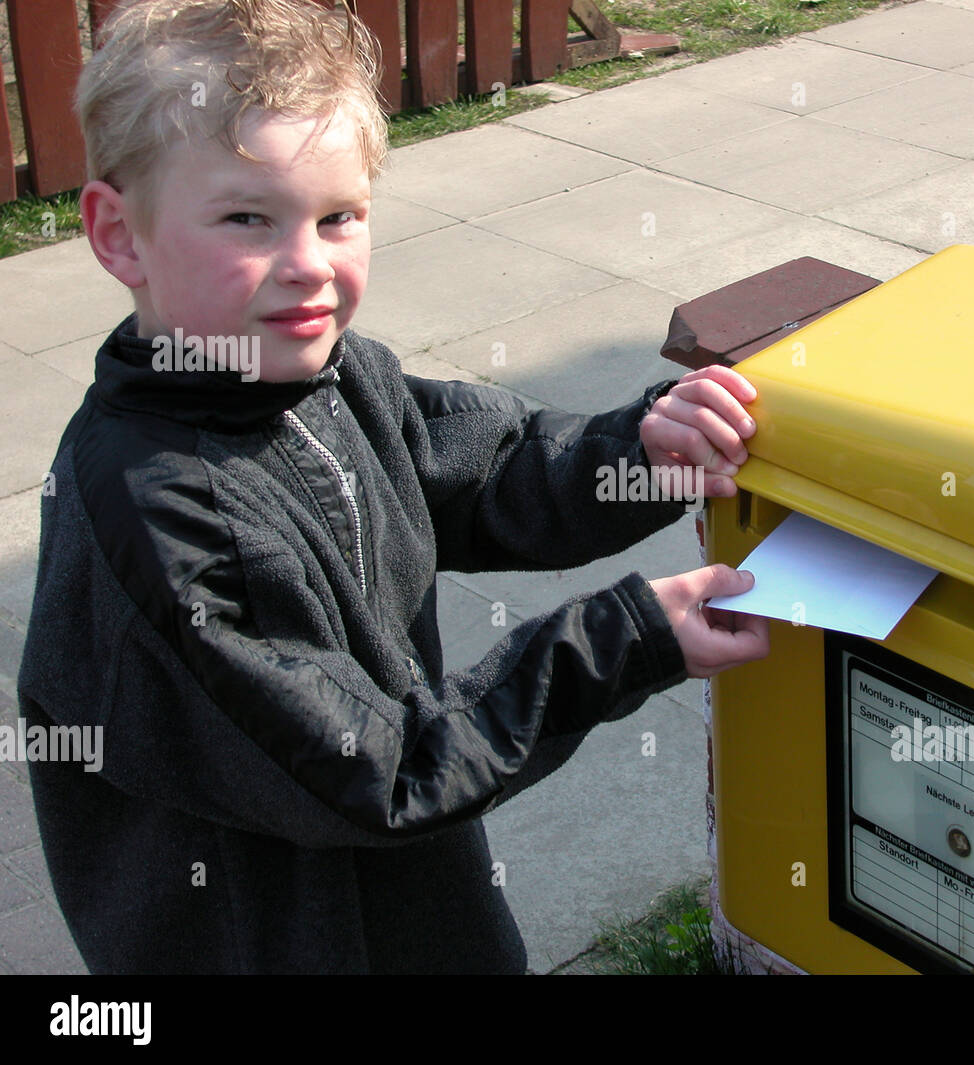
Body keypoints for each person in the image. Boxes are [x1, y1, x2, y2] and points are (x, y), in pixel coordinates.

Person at [16, 0, 768, 974]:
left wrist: (643, 446)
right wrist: (620, 642)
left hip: (417, 910)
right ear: (119, 235)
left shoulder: (332, 378)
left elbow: (493, 476)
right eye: (248, 219)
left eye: (338, 218)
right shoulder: (162, 514)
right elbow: (375, 772)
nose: (307, 268)